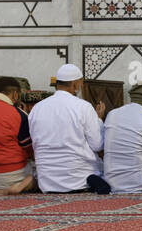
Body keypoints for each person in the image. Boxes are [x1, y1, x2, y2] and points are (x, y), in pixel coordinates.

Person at [26, 63, 107, 193]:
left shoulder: (37, 108)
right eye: (80, 83)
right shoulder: (83, 107)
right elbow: (97, 145)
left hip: (47, 182)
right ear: (75, 85)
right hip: (79, 179)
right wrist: (98, 120)